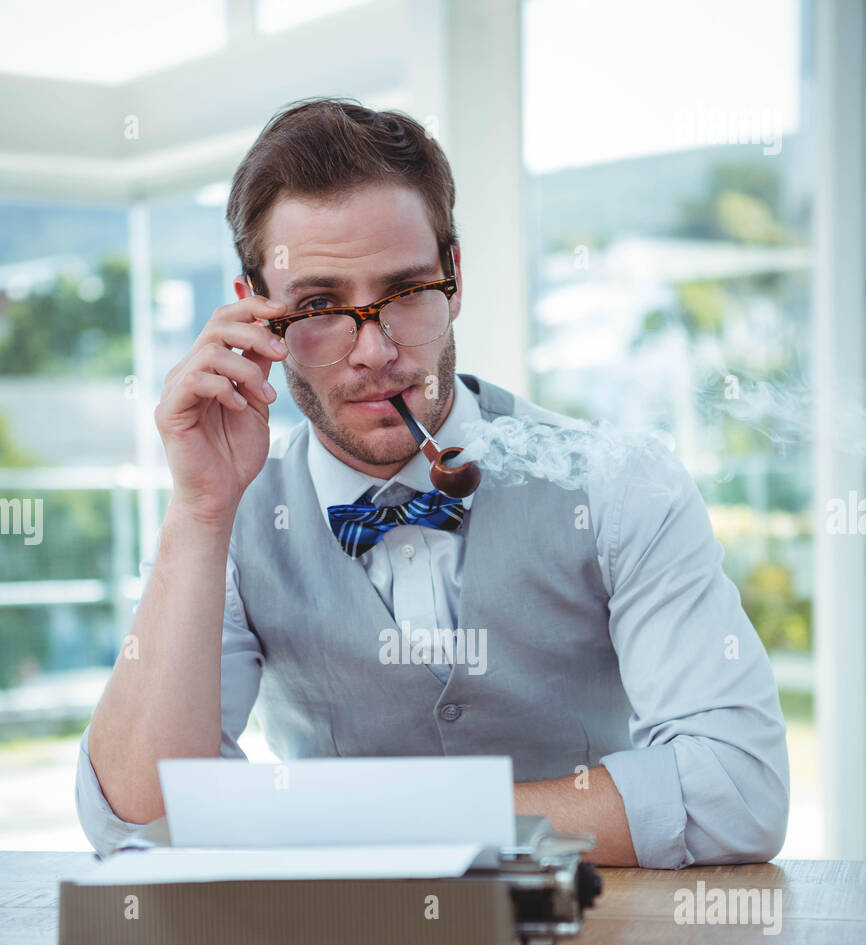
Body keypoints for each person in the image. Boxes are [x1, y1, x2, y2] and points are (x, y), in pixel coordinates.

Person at [75, 98, 789, 867]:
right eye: (319, 305)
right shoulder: (230, 514)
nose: (375, 351)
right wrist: (200, 512)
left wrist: (382, 818)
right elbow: (136, 824)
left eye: (407, 290)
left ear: (453, 277)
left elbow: (737, 792)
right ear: (255, 313)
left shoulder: (620, 484)